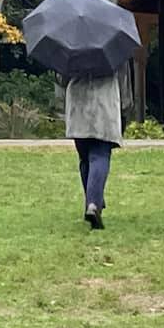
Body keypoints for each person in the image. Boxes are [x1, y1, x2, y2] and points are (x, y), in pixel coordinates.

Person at [62, 64, 132, 229]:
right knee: (100, 154)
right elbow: (123, 78)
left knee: (85, 157)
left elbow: (63, 76)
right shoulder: (115, 44)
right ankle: (94, 203)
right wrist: (125, 106)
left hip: (77, 101)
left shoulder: (71, 41)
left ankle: (93, 200)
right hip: (105, 101)